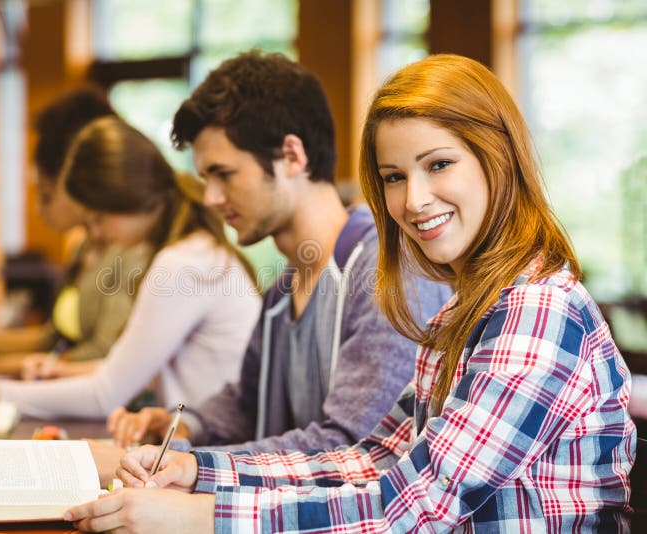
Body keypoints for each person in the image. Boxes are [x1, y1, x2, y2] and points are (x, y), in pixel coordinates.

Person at [65, 54, 636, 532]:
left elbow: (416, 506)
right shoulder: (463, 312)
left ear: (499, 159)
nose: (413, 200)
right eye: (393, 177)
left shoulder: (536, 309)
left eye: (439, 164)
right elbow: (374, 458)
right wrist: (197, 472)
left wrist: (203, 516)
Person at [102, 51, 450, 464]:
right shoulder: (284, 288)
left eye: (223, 174)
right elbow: (247, 405)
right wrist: (185, 425)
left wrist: (187, 462)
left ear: (291, 156)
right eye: (205, 179)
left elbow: (353, 447)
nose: (211, 197)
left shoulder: (388, 271)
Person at [0, 114, 261, 421]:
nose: (96, 234)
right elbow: (133, 370)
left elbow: (105, 396)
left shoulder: (182, 263)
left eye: (98, 219)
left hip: (208, 438)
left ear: (129, 200)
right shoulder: (193, 250)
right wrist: (65, 371)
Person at [0, 88, 143, 376]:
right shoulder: (85, 248)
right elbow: (52, 339)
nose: (38, 208)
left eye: (46, 194)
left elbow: (99, 356)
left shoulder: (128, 251)